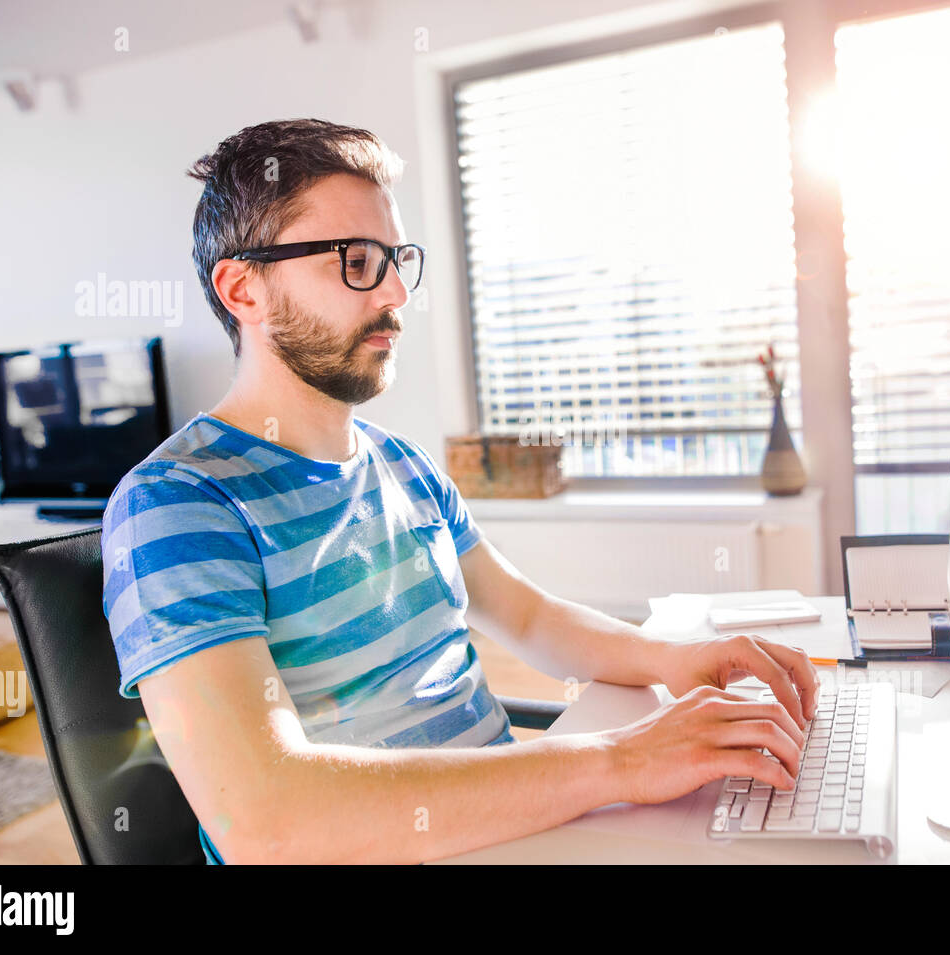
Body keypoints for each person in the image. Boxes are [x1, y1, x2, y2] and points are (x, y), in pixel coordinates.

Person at [100, 118, 818, 864]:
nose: (395, 294)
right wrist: (623, 759)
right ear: (243, 289)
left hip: (511, 832)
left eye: (396, 260)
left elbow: (530, 617)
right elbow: (268, 819)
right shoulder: (176, 506)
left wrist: (673, 658)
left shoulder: (400, 464)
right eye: (354, 261)